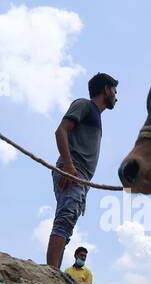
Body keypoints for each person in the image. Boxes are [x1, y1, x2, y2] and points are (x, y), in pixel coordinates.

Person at [46, 73, 117, 268]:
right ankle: (51, 271)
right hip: (72, 171)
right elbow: (61, 130)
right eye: (114, 90)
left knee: (67, 223)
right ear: (106, 89)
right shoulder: (85, 105)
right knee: (65, 218)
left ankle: (55, 271)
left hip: (81, 177)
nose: (116, 96)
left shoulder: (96, 116)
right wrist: (68, 166)